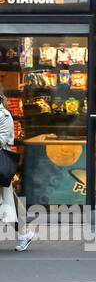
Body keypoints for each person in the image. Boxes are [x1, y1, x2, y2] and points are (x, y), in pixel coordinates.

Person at [0, 96, 34, 252]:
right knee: (8, 204)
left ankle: (25, 233)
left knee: (7, 204)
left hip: (1, 165)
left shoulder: (5, 116)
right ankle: (25, 233)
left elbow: (2, 140)